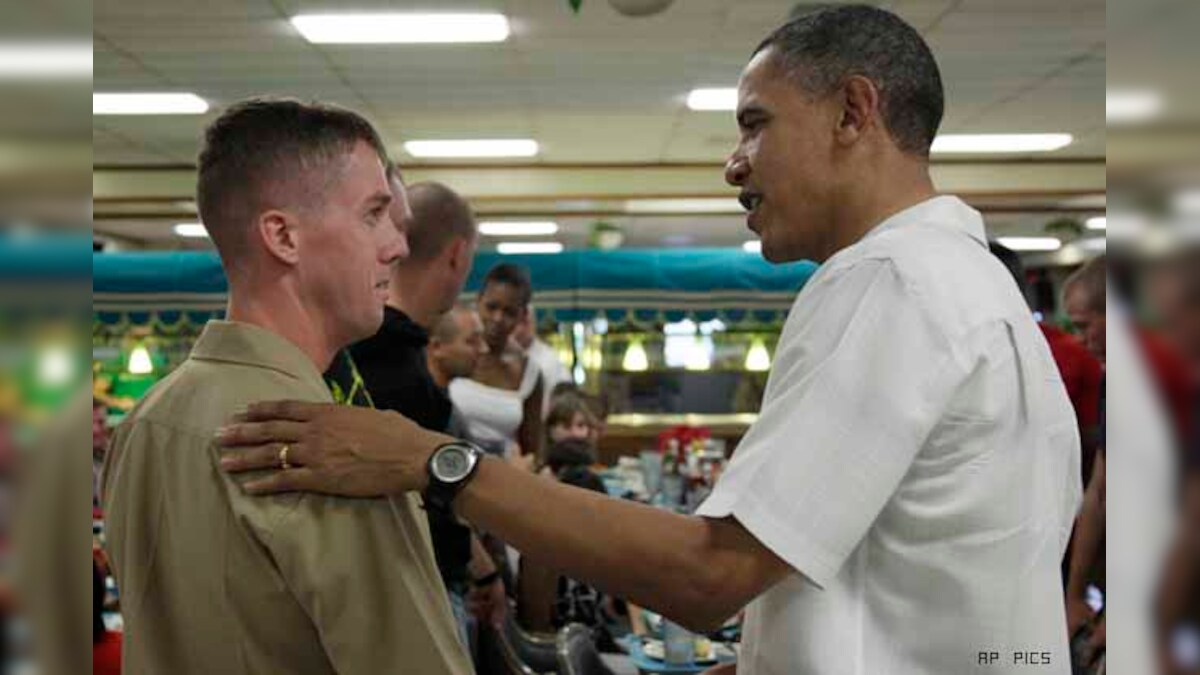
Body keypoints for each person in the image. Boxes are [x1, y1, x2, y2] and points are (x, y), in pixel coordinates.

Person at [217, 8, 1081, 674]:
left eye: (755, 124)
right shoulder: (977, 287)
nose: (734, 163)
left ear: (854, 111)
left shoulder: (890, 282)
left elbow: (711, 575)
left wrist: (435, 461)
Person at [101, 99, 471, 674]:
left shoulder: (145, 423)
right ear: (283, 236)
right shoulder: (334, 451)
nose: (396, 247)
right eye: (373, 214)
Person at [321, 179, 504, 649]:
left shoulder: (354, 351)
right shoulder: (399, 368)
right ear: (458, 256)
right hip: (413, 596)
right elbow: (420, 506)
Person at [450, 263, 545, 460]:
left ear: (523, 315)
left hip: (501, 481)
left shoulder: (530, 373)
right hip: (447, 470)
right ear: (478, 301)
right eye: (491, 307)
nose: (498, 318)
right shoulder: (451, 351)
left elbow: (531, 449)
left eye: (509, 312)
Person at [512, 303, 572, 413]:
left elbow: (565, 401)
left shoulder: (550, 360)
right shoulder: (501, 355)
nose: (520, 329)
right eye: (516, 323)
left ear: (534, 324)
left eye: (525, 323)